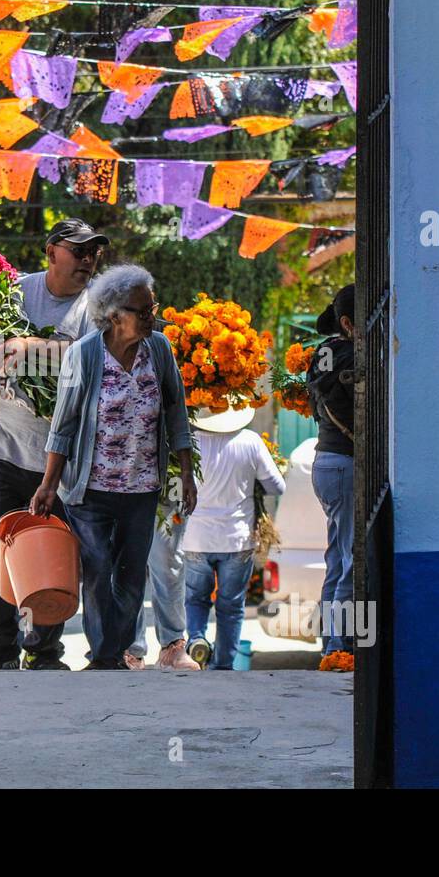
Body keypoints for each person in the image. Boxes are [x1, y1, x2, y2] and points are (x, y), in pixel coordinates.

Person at [31, 264, 196, 670]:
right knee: (99, 569)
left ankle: (117, 653)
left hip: (142, 486)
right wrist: (49, 484)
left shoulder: (159, 350)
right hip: (91, 489)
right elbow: (64, 423)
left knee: (130, 575)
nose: (150, 316)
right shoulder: (85, 354)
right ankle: (104, 655)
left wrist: (187, 473)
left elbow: (177, 411)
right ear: (115, 314)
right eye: (142, 310)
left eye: (152, 307)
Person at [0, 218, 106, 670]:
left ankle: (44, 650)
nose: (88, 260)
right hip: (1, 449)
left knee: (55, 552)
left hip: (60, 458)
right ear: (51, 252)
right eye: (78, 251)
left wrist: (29, 346)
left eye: (94, 253)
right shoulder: (15, 294)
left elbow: (95, 356)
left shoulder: (96, 306)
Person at [180, 405, 286, 670]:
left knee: (196, 597)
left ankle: (196, 639)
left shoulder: (189, 443)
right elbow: (277, 486)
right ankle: (224, 664)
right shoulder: (250, 441)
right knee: (231, 605)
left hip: (196, 537)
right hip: (237, 539)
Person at [307, 283, 356, 671]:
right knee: (350, 560)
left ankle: (331, 645)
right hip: (344, 462)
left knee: (337, 559)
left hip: (324, 461)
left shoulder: (323, 353)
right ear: (347, 323)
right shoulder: (354, 353)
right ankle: (340, 649)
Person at [125, 519, 199, 671]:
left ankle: (173, 645)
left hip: (166, 499)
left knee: (168, 563)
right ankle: (131, 649)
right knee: (126, 563)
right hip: (121, 496)